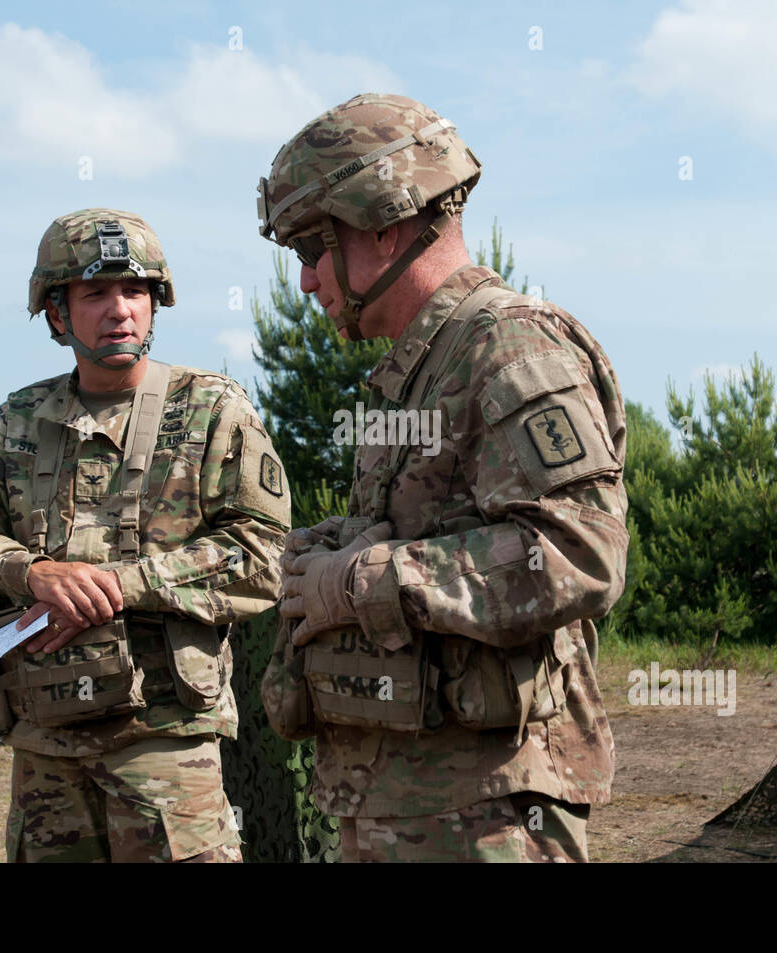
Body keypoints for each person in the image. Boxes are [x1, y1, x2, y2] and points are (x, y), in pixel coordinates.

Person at [257, 94, 628, 862]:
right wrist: (331, 551)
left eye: (310, 248)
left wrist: (363, 579)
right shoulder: (421, 369)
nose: (303, 280)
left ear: (381, 223)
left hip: (488, 813)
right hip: (407, 802)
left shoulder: (510, 346)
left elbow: (580, 551)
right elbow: (440, 529)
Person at [0, 208, 289, 862]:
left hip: (166, 743)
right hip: (45, 748)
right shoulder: (17, 421)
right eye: (95, 293)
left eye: (136, 291)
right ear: (57, 315)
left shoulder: (213, 410)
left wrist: (121, 585)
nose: (120, 310)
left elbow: (264, 557)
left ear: (156, 305)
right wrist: (27, 572)